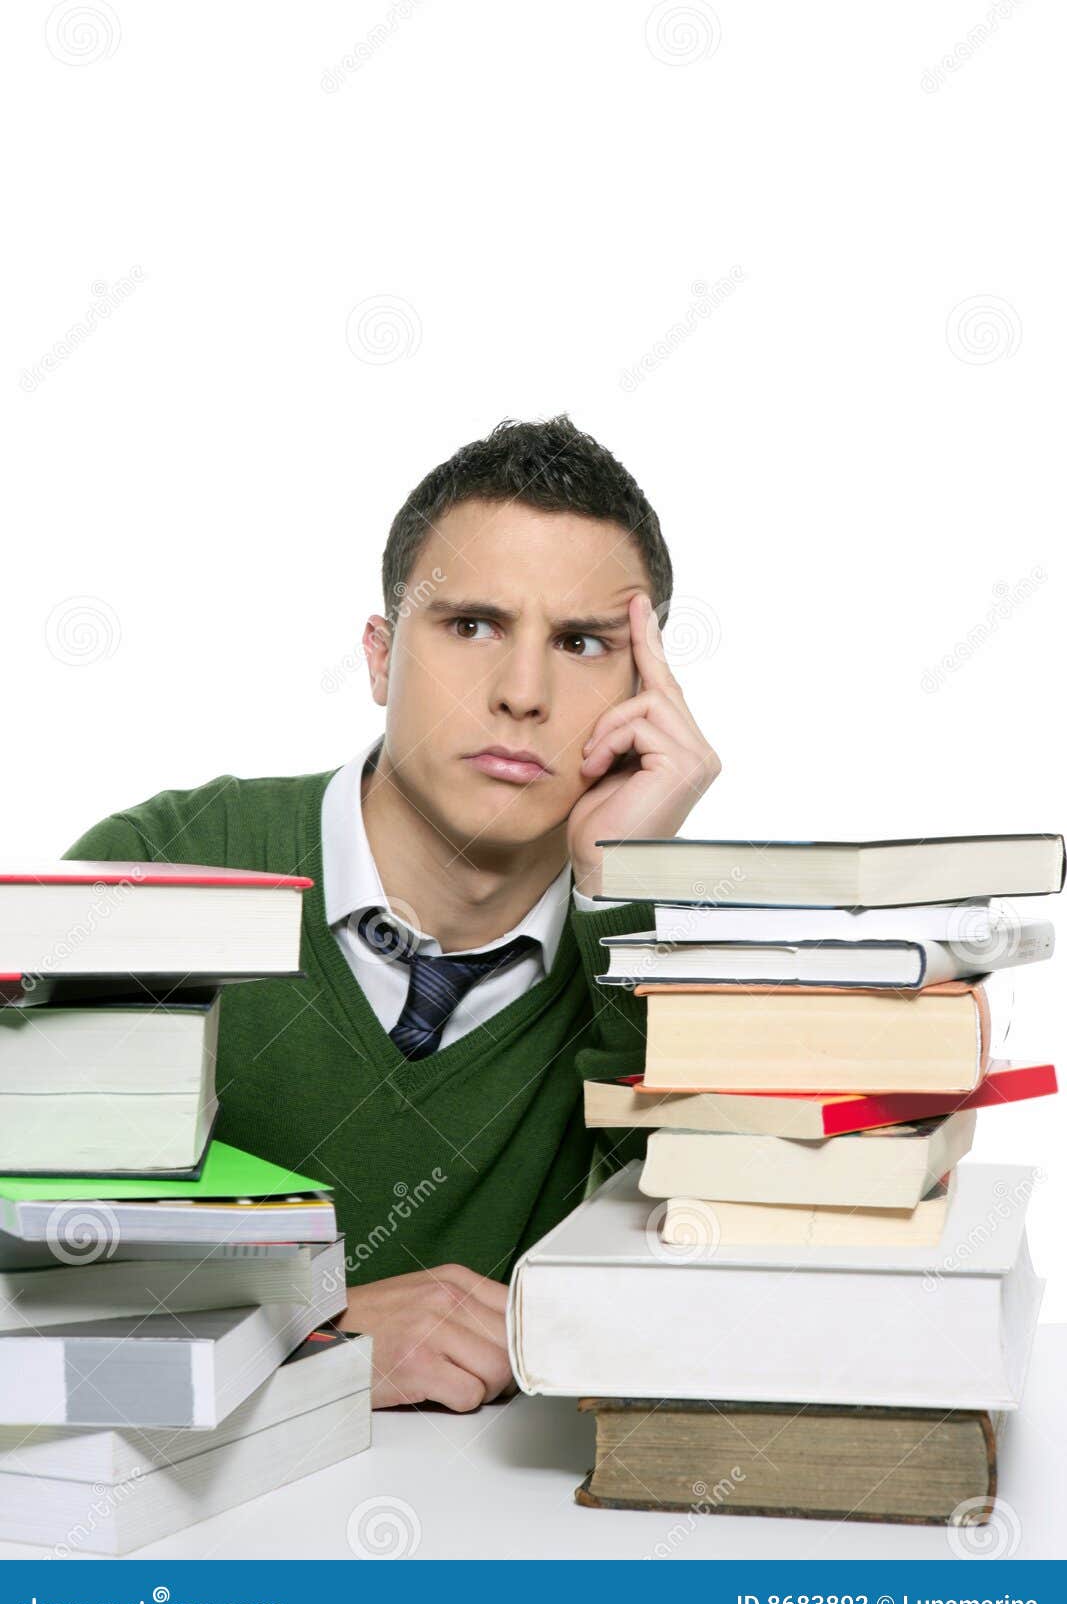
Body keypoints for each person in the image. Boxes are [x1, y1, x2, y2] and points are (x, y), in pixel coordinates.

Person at [63, 415, 720, 1410]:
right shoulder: (161, 871)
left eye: (581, 643)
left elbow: (702, 1276)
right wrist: (303, 1332)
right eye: (472, 626)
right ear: (379, 657)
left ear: (642, 695)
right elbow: (31, 1254)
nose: (522, 694)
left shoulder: (659, 951)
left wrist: (622, 889)